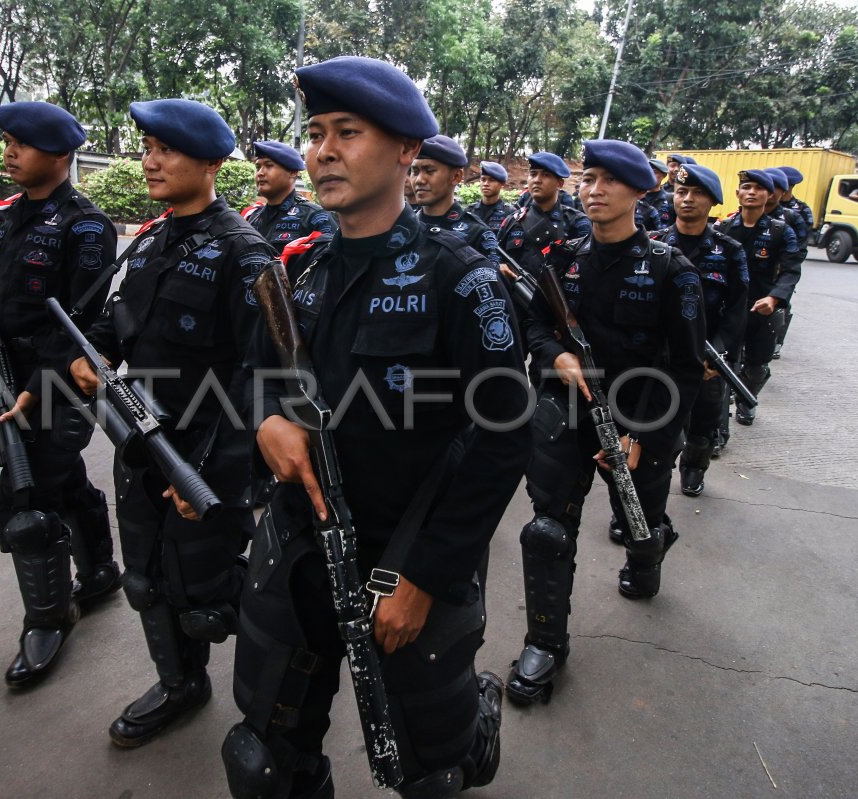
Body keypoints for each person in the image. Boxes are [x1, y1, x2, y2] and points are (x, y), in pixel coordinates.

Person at [224, 55, 526, 798]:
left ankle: (473, 722)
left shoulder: (461, 279)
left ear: (404, 152)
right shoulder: (302, 270)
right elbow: (255, 371)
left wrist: (425, 574)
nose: (321, 150)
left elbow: (504, 434)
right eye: (316, 132)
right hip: (301, 546)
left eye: (347, 132)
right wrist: (266, 418)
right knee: (264, 760)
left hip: (409, 557)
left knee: (430, 771)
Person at [68, 98, 274, 748]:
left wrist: (213, 476)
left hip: (206, 457)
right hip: (141, 443)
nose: (150, 161)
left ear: (211, 163)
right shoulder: (153, 239)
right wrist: (94, 349)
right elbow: (120, 320)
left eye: (167, 150)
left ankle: (289, 667)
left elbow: (257, 378)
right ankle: (182, 684)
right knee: (146, 581)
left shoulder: (244, 252)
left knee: (209, 598)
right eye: (147, 147)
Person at [506, 139, 705, 706]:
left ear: (641, 192)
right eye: (587, 179)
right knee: (548, 529)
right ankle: (545, 640)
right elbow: (535, 326)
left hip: (642, 418)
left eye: (608, 181)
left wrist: (642, 433)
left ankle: (649, 556)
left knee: (637, 523)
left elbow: (686, 370)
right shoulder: (563, 256)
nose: (593, 190)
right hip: (567, 411)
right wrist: (554, 356)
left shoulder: (674, 271)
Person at [0, 101, 119, 687]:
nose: (9, 152)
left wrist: (38, 388)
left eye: (22, 143)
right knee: (62, 479)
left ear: (61, 154)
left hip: (54, 381)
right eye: (7, 141)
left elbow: (82, 320)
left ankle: (48, 618)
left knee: (29, 506)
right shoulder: (9, 216)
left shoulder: (85, 224)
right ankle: (98, 571)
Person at [650, 164, 748, 497]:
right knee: (652, 425)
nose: (687, 199)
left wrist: (718, 352)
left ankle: (694, 467)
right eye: (681, 192)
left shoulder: (730, 252)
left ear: (713, 202)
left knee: (703, 422)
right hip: (659, 354)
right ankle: (646, 487)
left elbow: (736, 310)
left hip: (707, 356)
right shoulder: (655, 244)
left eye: (697, 193)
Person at [715, 169, 802, 426]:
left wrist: (774, 299)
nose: (751, 192)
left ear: (769, 195)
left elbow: (790, 270)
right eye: (747, 187)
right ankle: (718, 430)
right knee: (722, 367)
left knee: (756, 366)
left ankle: (747, 399)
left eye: (758, 188)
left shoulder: (781, 231)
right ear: (737, 194)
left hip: (762, 309)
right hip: (728, 309)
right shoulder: (724, 227)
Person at [409, 134, 500, 269]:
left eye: (429, 171)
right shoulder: (404, 227)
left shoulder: (477, 234)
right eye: (415, 171)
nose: (419, 180)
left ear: (456, 176)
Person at [498, 151, 590, 277]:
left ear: (559, 183)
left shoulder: (577, 222)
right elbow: (495, 255)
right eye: (533, 174)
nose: (537, 180)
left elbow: (585, 270)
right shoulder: (513, 220)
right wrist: (499, 266)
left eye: (545, 175)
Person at [244, 140, 334, 252]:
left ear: (292, 172)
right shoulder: (251, 218)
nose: (260, 173)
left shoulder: (315, 217)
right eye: (258, 167)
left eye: (269, 166)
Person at [775, 166, 811, 357]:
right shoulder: (764, 207)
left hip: (784, 266)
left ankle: (776, 343)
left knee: (782, 304)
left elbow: (801, 245)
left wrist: (786, 266)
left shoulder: (800, 211)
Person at [466, 160, 515, 231]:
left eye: (491, 180)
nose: (486, 184)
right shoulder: (470, 211)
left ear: (502, 184)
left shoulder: (509, 213)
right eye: (483, 179)